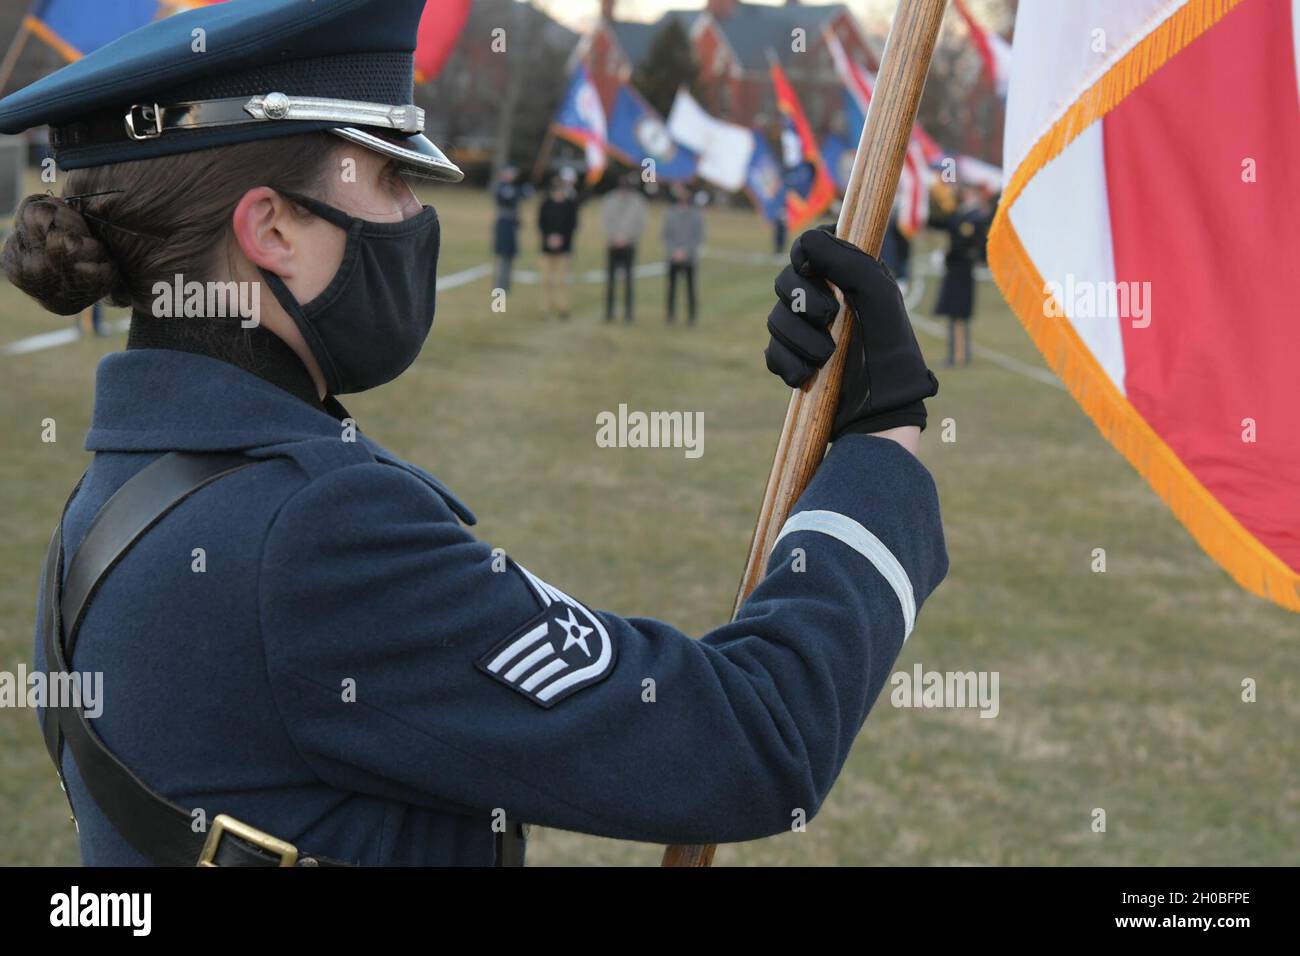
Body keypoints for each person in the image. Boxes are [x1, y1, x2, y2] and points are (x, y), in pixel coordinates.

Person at [0, 0, 946, 868]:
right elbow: (754, 742)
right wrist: (881, 440)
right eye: (387, 176)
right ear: (272, 230)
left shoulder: (110, 505)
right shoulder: (312, 532)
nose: (414, 217)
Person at [930, 184, 992, 367]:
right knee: (953, 314)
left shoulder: (974, 218)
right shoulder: (961, 215)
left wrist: (947, 255)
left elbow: (966, 242)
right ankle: (957, 354)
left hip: (962, 270)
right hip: (955, 269)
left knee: (958, 313)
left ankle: (959, 355)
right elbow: (939, 222)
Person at [600, 173, 646, 323]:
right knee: (611, 281)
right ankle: (609, 313)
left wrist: (626, 238)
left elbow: (640, 224)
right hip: (613, 244)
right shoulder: (609, 200)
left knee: (628, 282)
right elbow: (606, 220)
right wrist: (615, 237)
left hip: (629, 245)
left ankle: (628, 314)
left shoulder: (638, 202)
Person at [536, 174, 578, 320]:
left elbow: (572, 225)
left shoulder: (569, 205)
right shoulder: (546, 204)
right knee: (546, 280)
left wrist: (561, 239)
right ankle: (545, 308)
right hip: (547, 248)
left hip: (564, 249)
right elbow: (541, 224)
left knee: (561, 280)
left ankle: (563, 308)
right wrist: (549, 238)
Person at [661, 184, 704, 325]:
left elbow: (698, 237)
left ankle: (692, 317)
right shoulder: (670, 213)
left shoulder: (696, 215)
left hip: (689, 258)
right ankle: (670, 316)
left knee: (690, 289)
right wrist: (674, 251)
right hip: (673, 257)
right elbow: (666, 235)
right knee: (671, 289)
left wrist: (685, 251)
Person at [491, 164, 528, 295]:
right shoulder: (501, 187)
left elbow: (525, 196)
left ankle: (506, 285)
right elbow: (506, 199)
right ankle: (500, 286)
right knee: (503, 256)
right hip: (504, 224)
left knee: (511, 255)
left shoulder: (516, 187)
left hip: (512, 225)